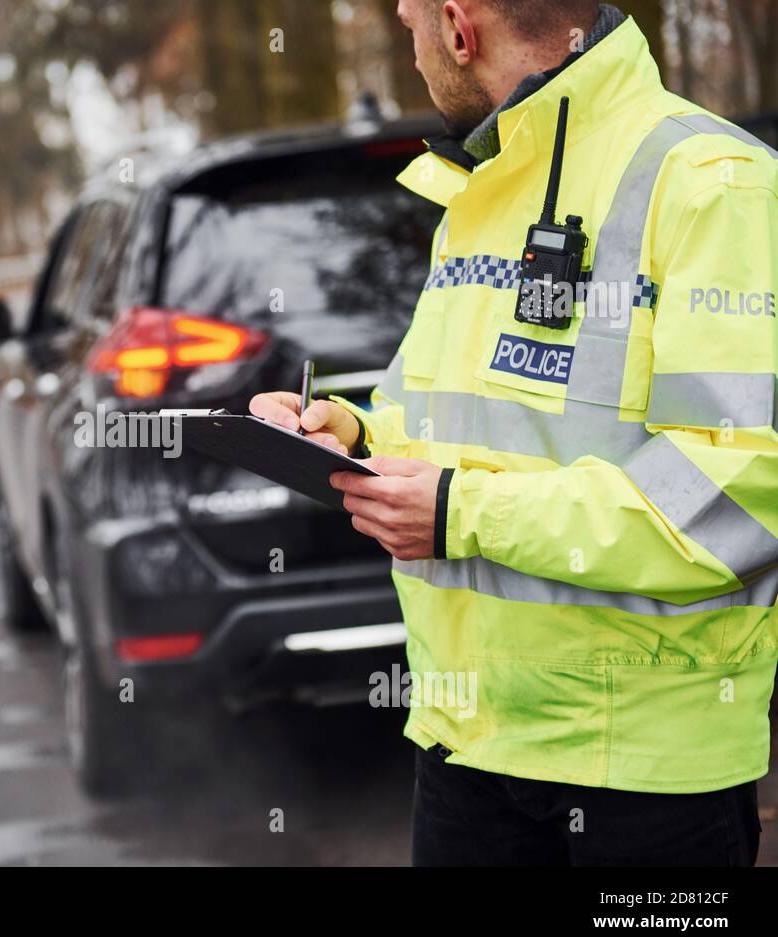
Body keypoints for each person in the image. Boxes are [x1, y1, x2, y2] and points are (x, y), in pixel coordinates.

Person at [250, 1, 778, 865]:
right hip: (468, 746)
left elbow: (738, 494)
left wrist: (463, 515)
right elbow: (463, 426)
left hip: (646, 777)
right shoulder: (479, 186)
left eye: (412, 21)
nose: (408, 42)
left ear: (460, 29)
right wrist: (349, 433)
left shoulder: (714, 179)